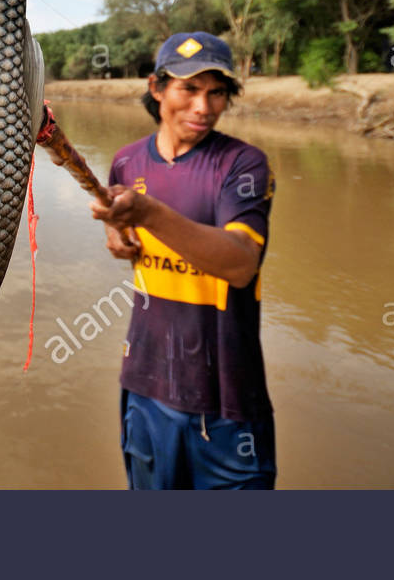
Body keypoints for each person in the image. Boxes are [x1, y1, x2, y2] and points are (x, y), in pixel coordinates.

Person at [89, 32, 277, 490]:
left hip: (227, 401)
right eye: (188, 89)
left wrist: (148, 212)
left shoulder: (242, 165)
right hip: (146, 387)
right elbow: (122, 228)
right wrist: (115, 230)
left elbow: (240, 264)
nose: (203, 107)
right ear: (157, 89)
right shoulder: (127, 161)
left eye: (216, 93)